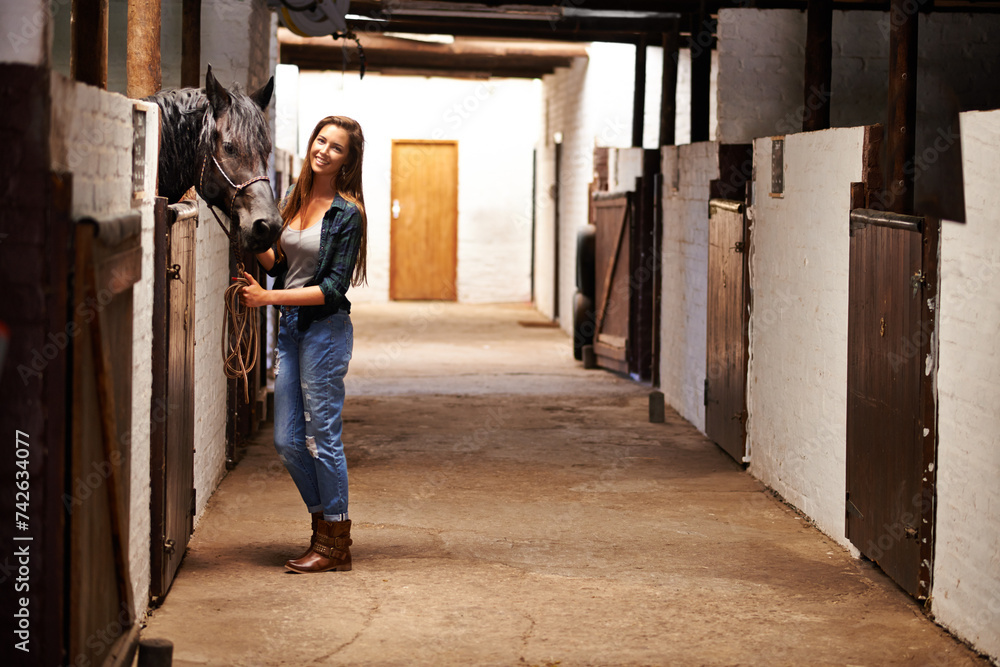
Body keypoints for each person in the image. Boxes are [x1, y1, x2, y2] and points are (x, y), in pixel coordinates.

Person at [240, 116, 368, 574]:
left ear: (348, 160)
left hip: (325, 330)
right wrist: (251, 232)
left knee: (324, 438)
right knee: (287, 440)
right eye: (321, 140)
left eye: (336, 147)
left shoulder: (346, 213)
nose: (324, 151)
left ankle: (335, 541)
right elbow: (279, 265)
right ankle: (325, 527)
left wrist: (267, 298)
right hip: (292, 330)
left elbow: (333, 288)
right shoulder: (293, 201)